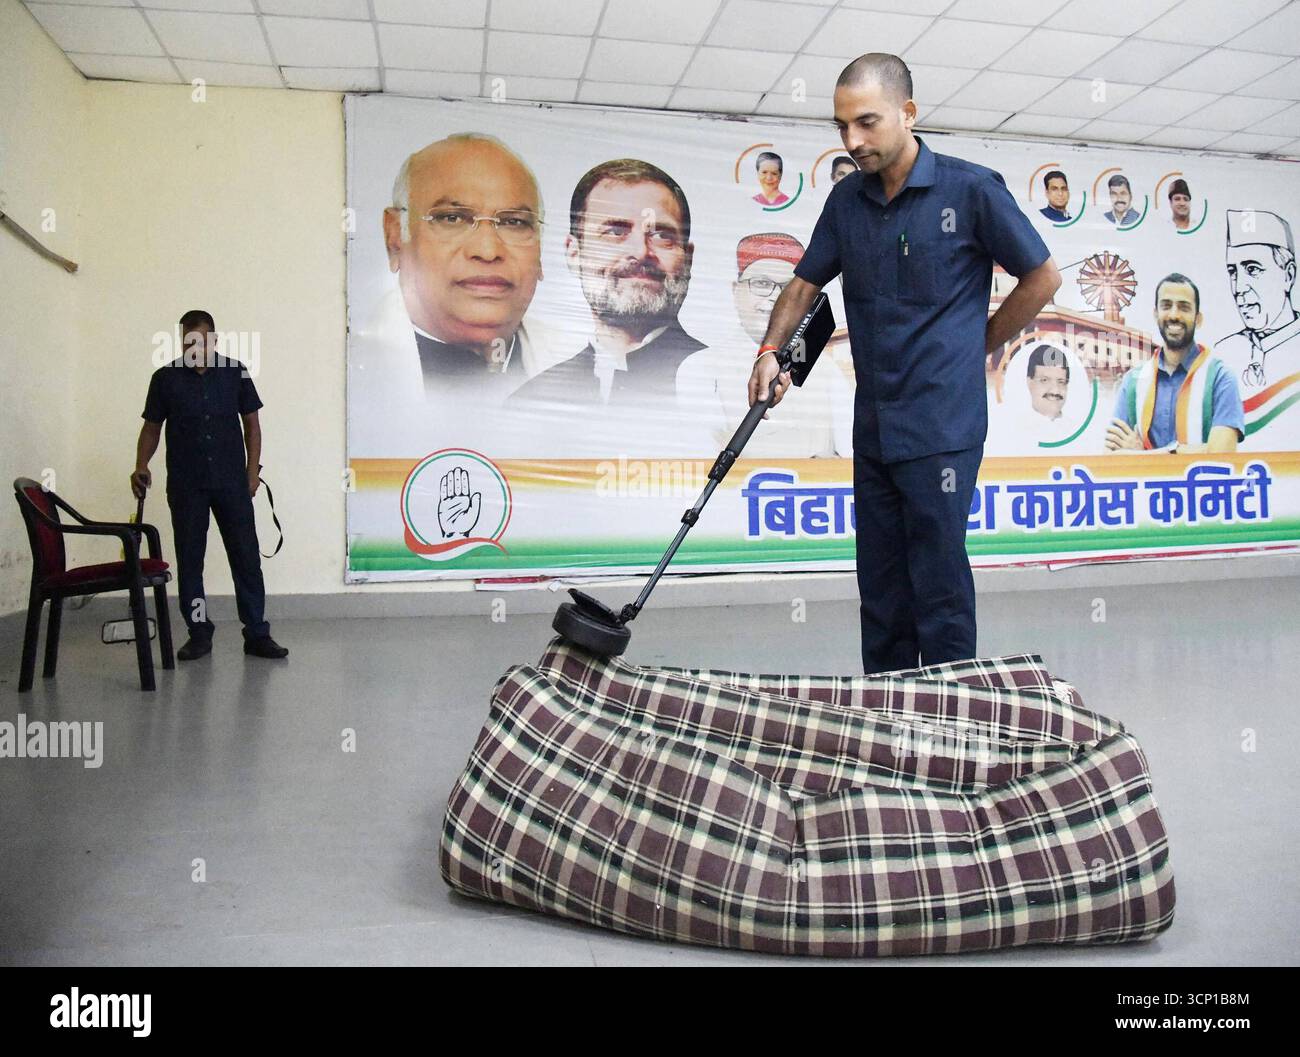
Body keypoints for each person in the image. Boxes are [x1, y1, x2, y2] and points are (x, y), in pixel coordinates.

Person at [749, 52, 1061, 674]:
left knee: (938, 585)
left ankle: (951, 724)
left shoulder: (970, 191)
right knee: (883, 588)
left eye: (866, 122)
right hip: (876, 428)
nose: (852, 140)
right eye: (841, 127)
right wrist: (768, 351)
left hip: (943, 429)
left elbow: (1042, 276)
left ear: (908, 113)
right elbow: (805, 284)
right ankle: (888, 719)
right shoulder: (846, 202)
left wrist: (979, 344)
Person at [131, 311, 288, 661]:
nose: (194, 348)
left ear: (213, 340)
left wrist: (251, 472)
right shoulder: (165, 379)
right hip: (187, 486)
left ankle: (257, 633)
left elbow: (253, 426)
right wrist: (141, 465)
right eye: (187, 341)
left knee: (246, 558)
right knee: (191, 561)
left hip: (232, 482)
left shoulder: (236, 373)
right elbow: (152, 428)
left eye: (201, 341)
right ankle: (199, 632)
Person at [509, 158, 705, 413]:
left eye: (661, 236)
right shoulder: (528, 404)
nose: (640, 252)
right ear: (574, 253)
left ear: (687, 259)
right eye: (615, 232)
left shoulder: (727, 389)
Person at [1107, 273, 1244, 453]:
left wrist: (1143, 455)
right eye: (1166, 306)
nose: (1174, 315)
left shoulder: (1220, 378)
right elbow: (1110, 460)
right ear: (1156, 314)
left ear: (1198, 318)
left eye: (1184, 307)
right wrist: (1189, 451)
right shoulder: (1133, 381)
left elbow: (1222, 455)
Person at [1215, 208, 1299, 393]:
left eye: (1252, 269)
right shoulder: (1223, 353)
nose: (1239, 288)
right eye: (1233, 272)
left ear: (1288, 275)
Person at [1025, 343, 1069, 421]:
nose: (1055, 391)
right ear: (1029, 382)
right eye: (1045, 380)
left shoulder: (1074, 427)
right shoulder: (1014, 427)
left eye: (1061, 382)